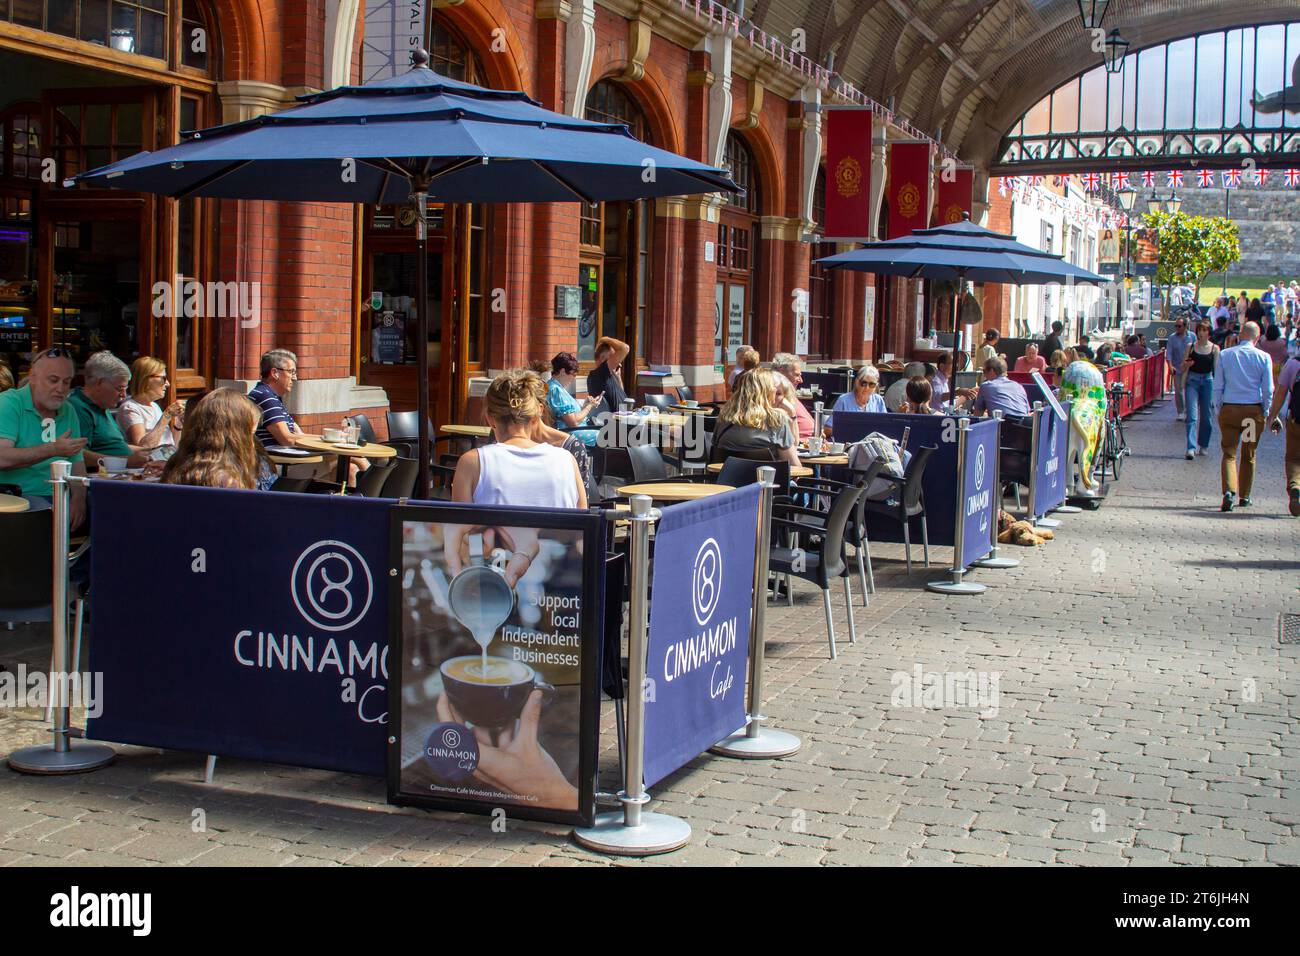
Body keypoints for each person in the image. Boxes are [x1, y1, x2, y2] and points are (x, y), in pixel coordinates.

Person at [452, 369, 586, 512]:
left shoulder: (471, 463)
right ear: (538, 412)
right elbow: (583, 527)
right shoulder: (567, 461)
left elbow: (458, 530)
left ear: (490, 419)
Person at [248, 348, 365, 486]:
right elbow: (287, 439)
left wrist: (336, 438)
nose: (295, 377)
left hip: (291, 459)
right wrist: (333, 441)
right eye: (291, 372)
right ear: (275, 373)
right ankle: (376, 499)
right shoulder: (265, 396)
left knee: (350, 469)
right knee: (352, 458)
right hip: (278, 464)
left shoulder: (273, 398)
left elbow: (299, 435)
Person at [0, 348, 88, 527]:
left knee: (113, 510)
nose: (61, 389)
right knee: (49, 516)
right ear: (33, 377)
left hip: (60, 495)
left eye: (67, 382)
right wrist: (53, 449)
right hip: (18, 496)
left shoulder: (68, 409)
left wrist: (79, 499)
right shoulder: (9, 403)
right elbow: (2, 457)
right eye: (53, 380)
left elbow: (78, 463)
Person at [1213, 321, 1273, 511]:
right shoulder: (1263, 357)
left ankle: (1229, 491)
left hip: (1230, 409)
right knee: (1248, 454)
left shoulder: (1225, 355)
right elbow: (1268, 389)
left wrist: (1218, 409)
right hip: (1251, 411)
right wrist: (1266, 410)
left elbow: (1218, 385)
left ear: (1240, 335)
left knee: (1229, 452)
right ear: (1258, 336)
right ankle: (1245, 495)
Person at [67, 351, 156, 471]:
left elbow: (113, 445)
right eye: (120, 388)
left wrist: (151, 452)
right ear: (100, 382)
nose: (124, 395)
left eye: (125, 389)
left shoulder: (103, 405)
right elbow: (78, 454)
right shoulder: (78, 407)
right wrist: (126, 462)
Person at [161, 387, 265, 490]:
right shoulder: (229, 482)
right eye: (250, 434)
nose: (252, 443)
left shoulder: (177, 467)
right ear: (234, 437)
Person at [713, 367, 800, 468]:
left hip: (725, 481)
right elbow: (794, 466)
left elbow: (715, 454)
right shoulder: (776, 420)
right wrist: (792, 413)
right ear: (766, 391)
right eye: (772, 387)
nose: (775, 390)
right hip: (767, 482)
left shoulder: (724, 417)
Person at [117, 356, 185, 454]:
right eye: (163, 378)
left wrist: (179, 424)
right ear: (146, 380)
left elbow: (171, 446)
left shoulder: (154, 406)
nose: (168, 384)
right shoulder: (130, 408)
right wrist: (167, 415)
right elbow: (144, 447)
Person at [1266, 352, 1300, 516]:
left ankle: (1295, 486)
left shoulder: (1293, 364)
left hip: (1296, 420)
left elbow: (1280, 393)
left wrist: (1273, 415)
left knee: (1293, 458)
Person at [545, 352, 601, 447]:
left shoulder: (555, 387)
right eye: (573, 374)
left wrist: (584, 406)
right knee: (611, 436)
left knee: (612, 435)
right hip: (570, 433)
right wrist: (589, 406)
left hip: (572, 431)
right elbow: (573, 422)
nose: (574, 378)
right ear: (562, 371)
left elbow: (571, 415)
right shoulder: (556, 390)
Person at [1182, 321, 1219, 460]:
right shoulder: (1190, 347)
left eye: (1204, 330)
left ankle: (1203, 444)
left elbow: (1216, 370)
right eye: (1199, 330)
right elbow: (1182, 365)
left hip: (1207, 381)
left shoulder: (1215, 349)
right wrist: (1186, 364)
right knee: (1192, 415)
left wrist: (1218, 390)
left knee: (1206, 415)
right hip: (1192, 381)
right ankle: (1191, 447)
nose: (1201, 333)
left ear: (1209, 333)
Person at [824, 364, 886, 435]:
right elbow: (828, 428)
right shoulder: (843, 400)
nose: (867, 388)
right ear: (857, 382)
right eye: (863, 383)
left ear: (876, 386)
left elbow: (885, 427)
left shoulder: (878, 400)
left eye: (872, 384)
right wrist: (848, 431)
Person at [771, 352, 816, 440]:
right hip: (800, 446)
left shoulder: (790, 395)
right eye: (796, 375)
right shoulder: (776, 398)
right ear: (782, 372)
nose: (801, 380)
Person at [586, 335, 630, 413]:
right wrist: (604, 339)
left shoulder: (607, 376)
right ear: (602, 358)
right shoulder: (599, 373)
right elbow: (625, 348)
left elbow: (622, 396)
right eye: (613, 357)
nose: (618, 361)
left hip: (622, 417)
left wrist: (618, 377)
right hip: (613, 421)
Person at [1165, 317, 1195, 422]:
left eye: (1179, 326)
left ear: (1185, 326)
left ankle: (1189, 411)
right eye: (1176, 326)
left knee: (1190, 390)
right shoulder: (1172, 338)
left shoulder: (1192, 336)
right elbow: (1169, 353)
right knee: (1178, 391)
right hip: (1177, 368)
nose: (1177, 328)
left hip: (1190, 368)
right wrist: (1170, 365)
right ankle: (1181, 411)